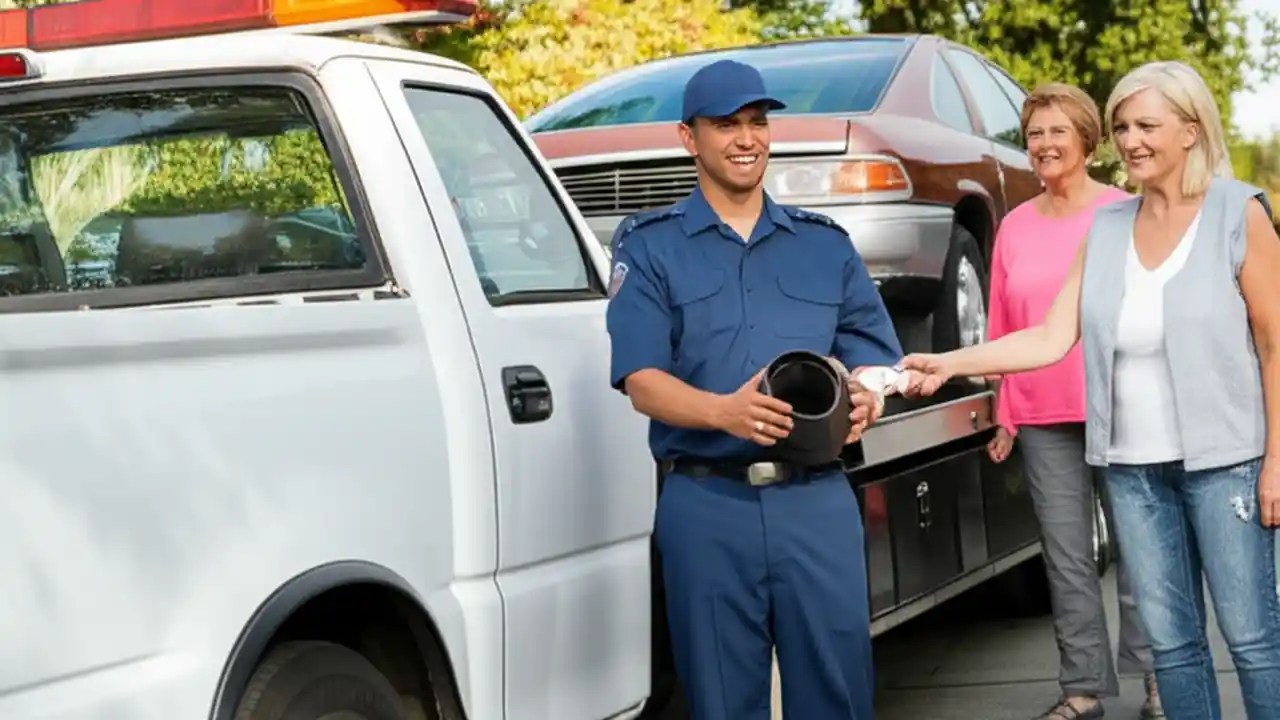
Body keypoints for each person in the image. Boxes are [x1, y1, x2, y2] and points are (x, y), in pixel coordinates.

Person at [903, 60, 1280, 720]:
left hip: (1226, 464)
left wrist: (1277, 458)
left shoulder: (1237, 212)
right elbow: (1050, 337)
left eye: (1146, 126)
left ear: (1191, 130)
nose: (1131, 140)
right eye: (1122, 127)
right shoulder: (1108, 228)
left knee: (1251, 639)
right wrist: (948, 361)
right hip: (1134, 471)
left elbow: (1275, 344)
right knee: (1173, 647)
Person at [605, 58, 915, 719]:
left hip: (817, 502)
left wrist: (871, 393)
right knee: (721, 702)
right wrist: (726, 412)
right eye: (726, 125)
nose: (747, 138)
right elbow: (642, 381)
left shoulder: (824, 245)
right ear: (689, 138)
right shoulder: (651, 247)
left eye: (757, 122)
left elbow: (876, 357)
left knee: (838, 696)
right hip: (707, 505)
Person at [985, 82, 1161, 720]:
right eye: (1034, 133)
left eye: (1058, 131)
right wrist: (1003, 411)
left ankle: (1158, 679)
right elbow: (1002, 325)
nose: (1045, 144)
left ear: (1086, 139)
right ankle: (1082, 688)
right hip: (1041, 413)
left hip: (1126, 409)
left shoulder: (1124, 212)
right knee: (1066, 558)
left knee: (1143, 554)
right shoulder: (1014, 226)